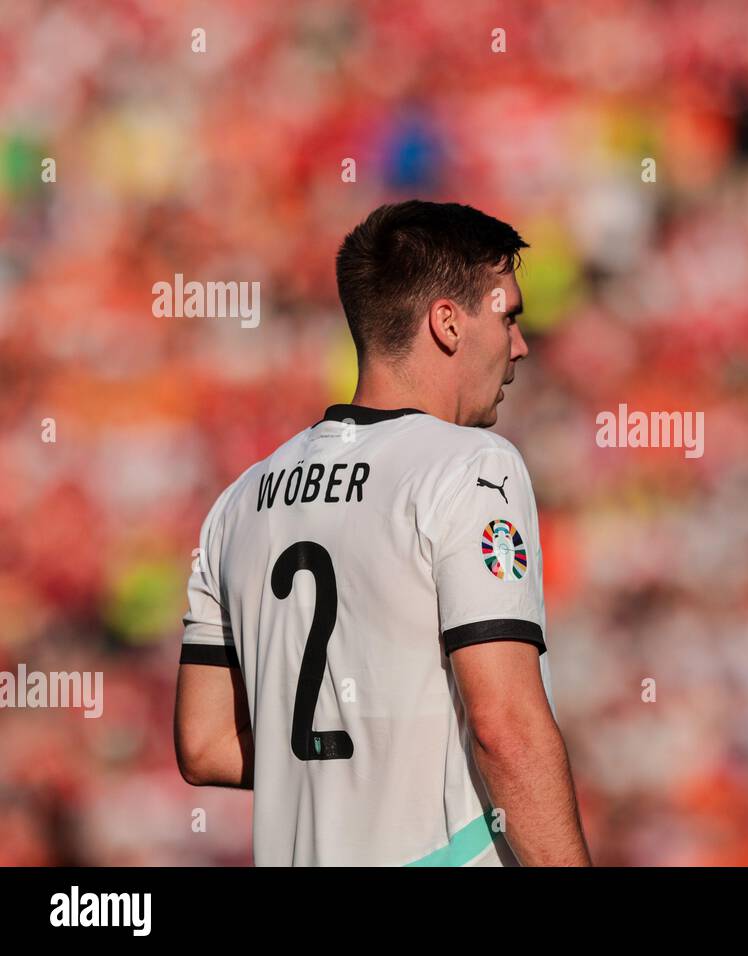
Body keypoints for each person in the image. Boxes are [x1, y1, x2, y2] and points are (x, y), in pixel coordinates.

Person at [173, 200, 592, 866]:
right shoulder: (471, 466)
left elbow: (204, 743)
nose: (520, 344)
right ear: (448, 323)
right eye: (508, 315)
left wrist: (357, 773)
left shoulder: (238, 500)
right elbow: (505, 729)